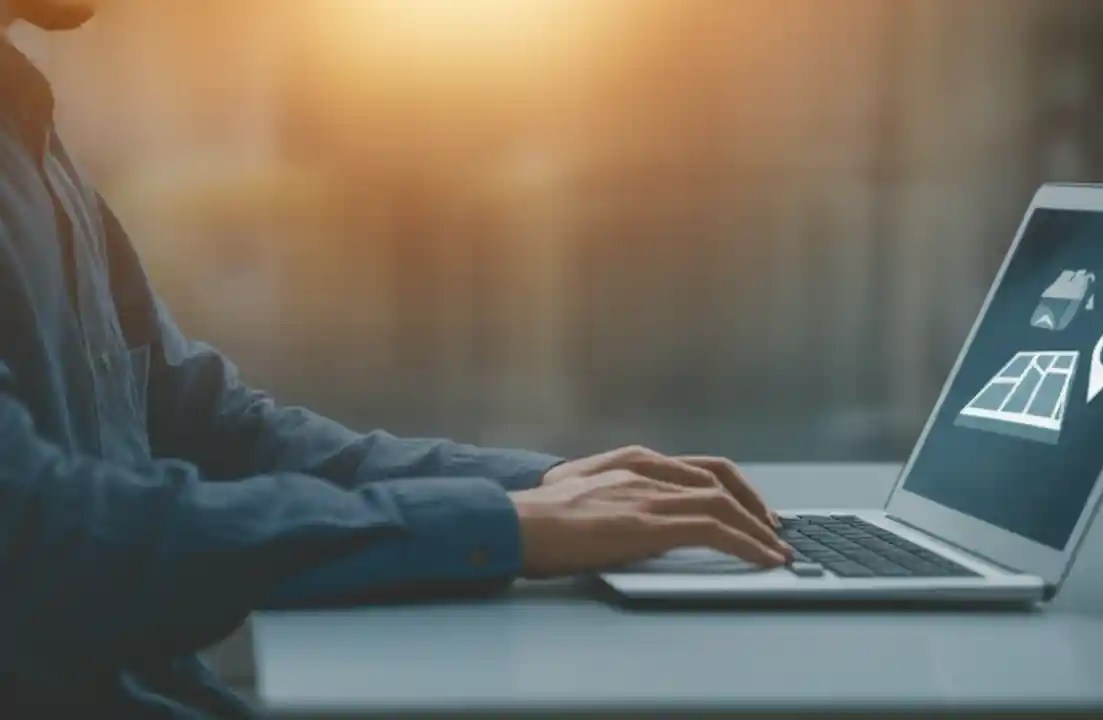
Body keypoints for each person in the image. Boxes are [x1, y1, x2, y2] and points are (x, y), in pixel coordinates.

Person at [0, 1, 790, 715]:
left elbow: (210, 428)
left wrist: (537, 487)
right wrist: (496, 525)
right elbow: (43, 540)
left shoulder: (25, 126)